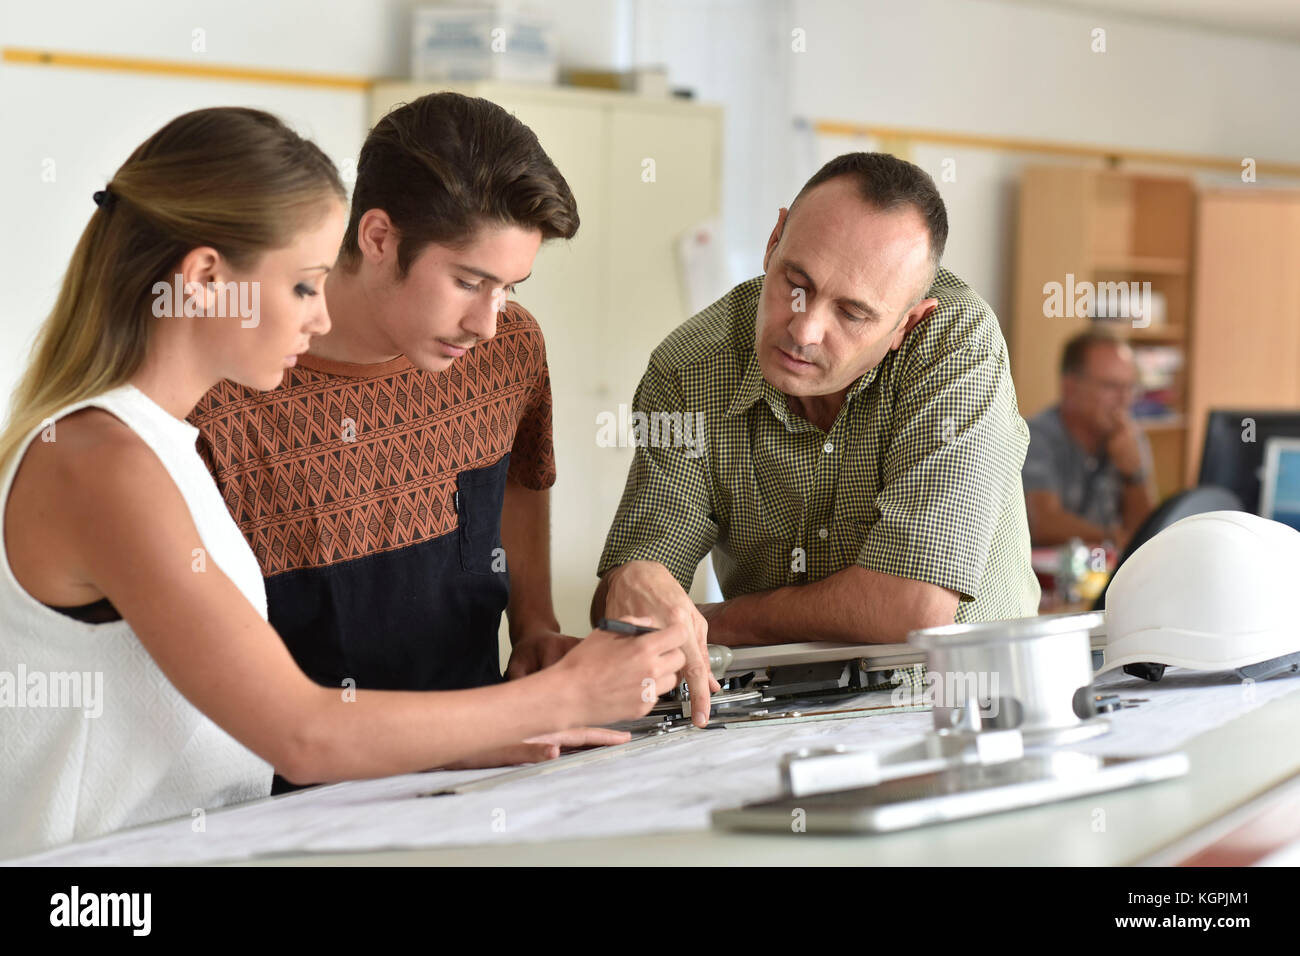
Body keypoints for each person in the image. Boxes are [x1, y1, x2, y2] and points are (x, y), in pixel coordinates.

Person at [0, 107, 686, 860]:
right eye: (304, 285)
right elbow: (303, 733)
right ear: (204, 280)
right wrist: (565, 697)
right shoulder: (106, 461)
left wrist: (472, 735)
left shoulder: (153, 443)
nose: (322, 314)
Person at [592, 152, 1040, 715]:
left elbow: (913, 609)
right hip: (774, 715)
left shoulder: (957, 344)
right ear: (774, 239)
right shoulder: (689, 370)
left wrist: (711, 622)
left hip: (968, 706)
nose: (804, 330)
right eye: (796, 283)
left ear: (907, 324)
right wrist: (635, 583)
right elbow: (629, 613)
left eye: (852, 313)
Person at [1022, 328, 1157, 549]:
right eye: (1111, 386)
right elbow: (1043, 524)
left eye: (1130, 387)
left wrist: (1133, 475)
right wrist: (1111, 537)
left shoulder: (1129, 438)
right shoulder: (1034, 436)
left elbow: (1147, 533)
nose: (1124, 399)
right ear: (1070, 387)